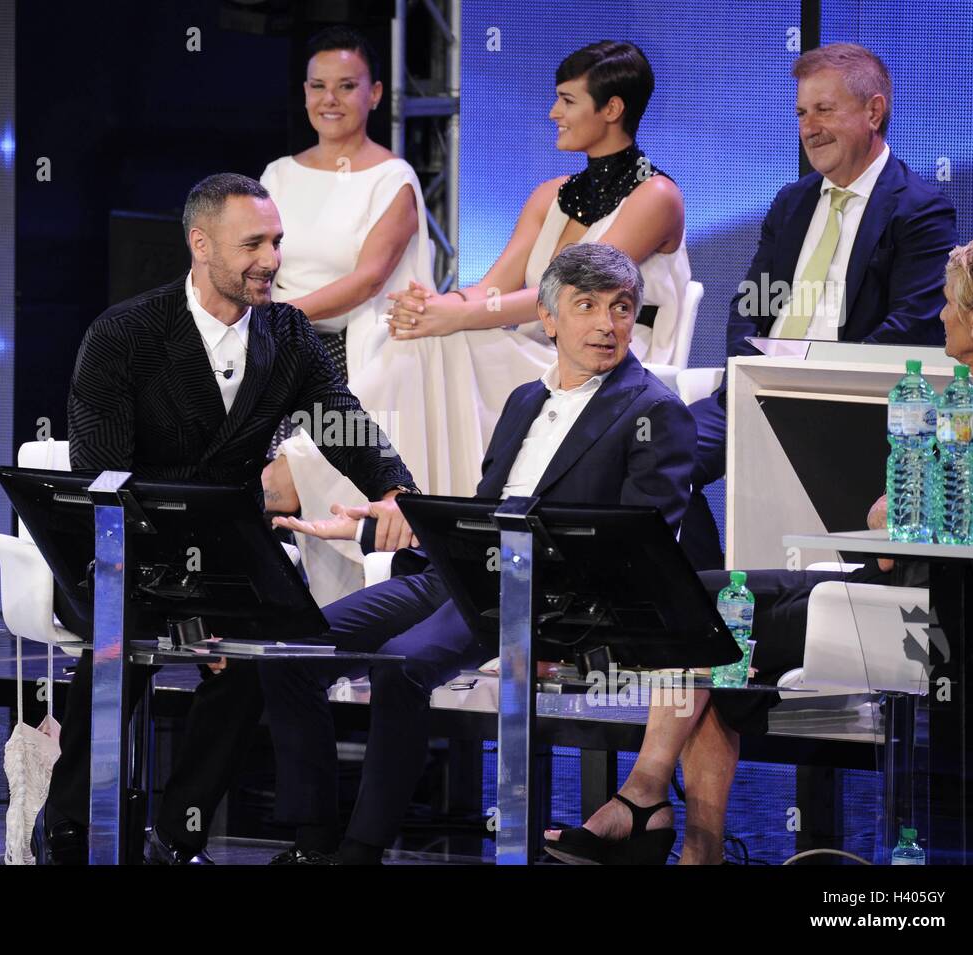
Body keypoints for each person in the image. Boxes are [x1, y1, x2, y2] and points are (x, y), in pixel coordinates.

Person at [548, 232, 973, 866]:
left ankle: (650, 805)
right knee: (698, 600)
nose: (940, 314)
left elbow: (911, 536)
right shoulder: (961, 401)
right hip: (865, 582)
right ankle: (677, 830)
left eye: (951, 303)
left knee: (708, 627)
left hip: (916, 612)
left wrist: (890, 515)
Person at [259, 244, 696, 864]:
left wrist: (566, 629)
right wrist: (390, 524)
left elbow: (640, 548)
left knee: (400, 665)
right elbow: (483, 510)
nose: (607, 323)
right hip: (458, 573)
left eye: (621, 308)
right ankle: (313, 843)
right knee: (292, 654)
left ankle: (360, 851)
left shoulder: (653, 412)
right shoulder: (524, 399)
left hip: (533, 593)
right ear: (548, 318)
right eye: (587, 306)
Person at [36, 172, 420, 865]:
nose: (271, 259)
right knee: (116, 653)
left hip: (235, 556)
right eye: (253, 244)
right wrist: (183, 603)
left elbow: (341, 420)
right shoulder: (124, 334)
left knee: (258, 658)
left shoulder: (287, 331)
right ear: (200, 244)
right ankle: (65, 827)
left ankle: (175, 836)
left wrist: (394, 489)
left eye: (276, 242)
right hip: (133, 550)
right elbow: (102, 482)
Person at [271, 39, 689, 606]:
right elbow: (494, 285)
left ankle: (311, 480)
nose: (553, 113)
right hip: (538, 358)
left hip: (607, 366)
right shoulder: (551, 196)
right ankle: (393, 504)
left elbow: (577, 298)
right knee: (423, 340)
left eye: (567, 101)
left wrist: (459, 315)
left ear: (611, 110)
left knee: (439, 345)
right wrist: (437, 304)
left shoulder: (655, 197)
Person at [680, 43, 958, 570]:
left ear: (873, 112)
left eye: (825, 111)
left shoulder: (918, 210)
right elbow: (752, 302)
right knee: (653, 453)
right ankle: (704, 604)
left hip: (846, 400)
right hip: (758, 388)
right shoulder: (793, 201)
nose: (810, 128)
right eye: (802, 114)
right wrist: (750, 370)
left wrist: (816, 374)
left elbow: (911, 327)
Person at [258, 26, 433, 604]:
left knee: (290, 472)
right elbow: (252, 258)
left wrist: (280, 316)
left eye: (346, 85)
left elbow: (367, 280)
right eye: (317, 86)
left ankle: (341, 613)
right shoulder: (279, 174)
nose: (329, 99)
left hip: (346, 347)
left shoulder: (393, 179)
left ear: (376, 93)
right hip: (270, 337)